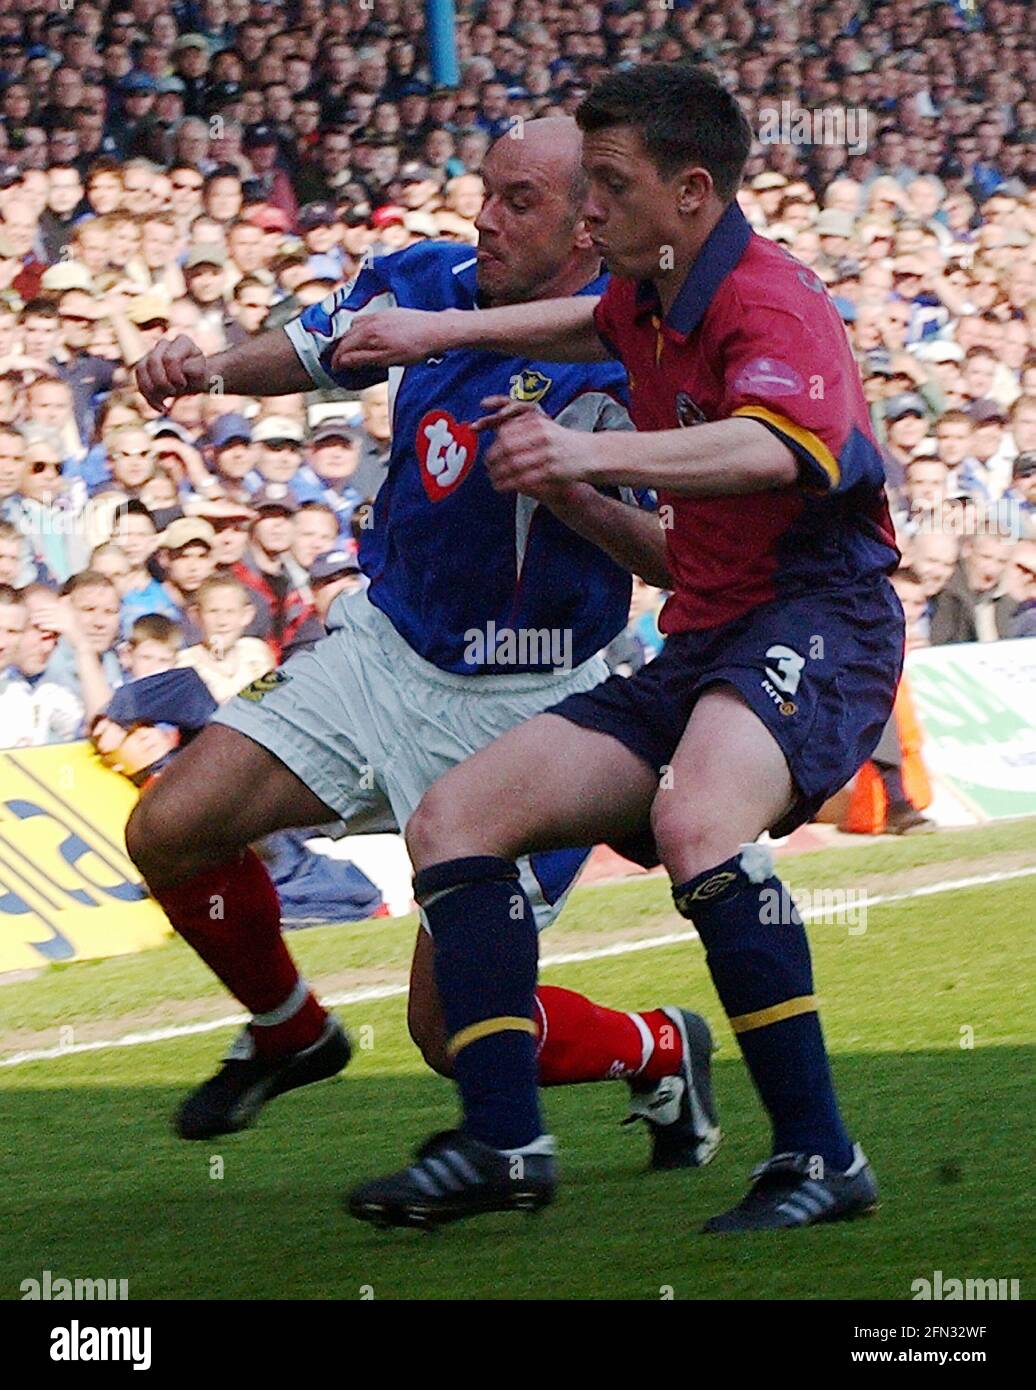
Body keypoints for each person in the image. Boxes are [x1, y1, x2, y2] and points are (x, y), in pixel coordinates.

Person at [331, 65, 904, 1234]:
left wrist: (583, 459)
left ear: (691, 191)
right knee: (454, 819)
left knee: (698, 821)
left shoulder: (769, 298)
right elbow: (567, 318)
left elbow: (775, 448)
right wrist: (433, 330)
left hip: (817, 619)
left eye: (607, 185)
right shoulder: (647, 293)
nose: (587, 213)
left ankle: (819, 1154)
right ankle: (501, 1140)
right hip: (701, 630)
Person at [129, 118, 719, 1172]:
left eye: (518, 202)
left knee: (450, 1036)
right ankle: (291, 1029)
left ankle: (661, 1047)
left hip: (540, 709)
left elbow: (685, 562)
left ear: (590, 224)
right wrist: (204, 369)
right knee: (171, 828)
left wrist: (573, 494)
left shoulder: (643, 353)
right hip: (384, 651)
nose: (485, 219)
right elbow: (314, 346)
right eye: (485, 192)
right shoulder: (427, 279)